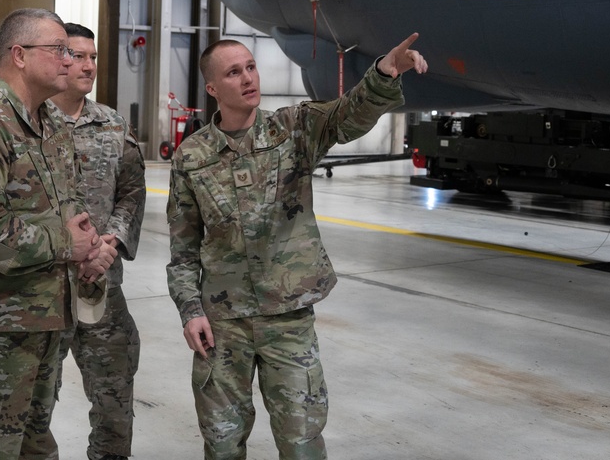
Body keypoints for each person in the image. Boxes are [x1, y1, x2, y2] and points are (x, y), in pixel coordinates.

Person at [166, 33, 428, 459]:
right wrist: (190, 310)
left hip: (287, 318)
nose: (249, 78)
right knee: (221, 442)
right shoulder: (192, 156)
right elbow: (183, 248)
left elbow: (348, 115)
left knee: (301, 440)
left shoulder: (292, 128)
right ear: (213, 88)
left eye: (251, 67)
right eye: (234, 72)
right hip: (223, 323)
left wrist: (383, 73)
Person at [0, 8, 117, 459]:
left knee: (35, 443)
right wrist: (65, 245)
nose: (68, 60)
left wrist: (88, 251)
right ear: (19, 55)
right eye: (59, 50)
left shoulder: (51, 124)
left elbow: (69, 209)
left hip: (48, 321)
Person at [50, 23, 146, 460]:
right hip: (42, 290)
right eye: (77, 55)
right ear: (55, 58)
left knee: (114, 401)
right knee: (31, 405)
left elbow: (131, 191)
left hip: (101, 285)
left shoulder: (111, 124)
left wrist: (113, 242)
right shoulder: (27, 123)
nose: (88, 65)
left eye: (93, 57)